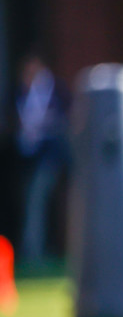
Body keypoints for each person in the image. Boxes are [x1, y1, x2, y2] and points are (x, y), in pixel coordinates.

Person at [12, 53, 71, 265]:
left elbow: (67, 118)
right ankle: (36, 250)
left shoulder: (55, 89)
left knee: (38, 199)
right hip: (29, 157)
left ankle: (35, 251)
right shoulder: (21, 91)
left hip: (51, 157)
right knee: (33, 200)